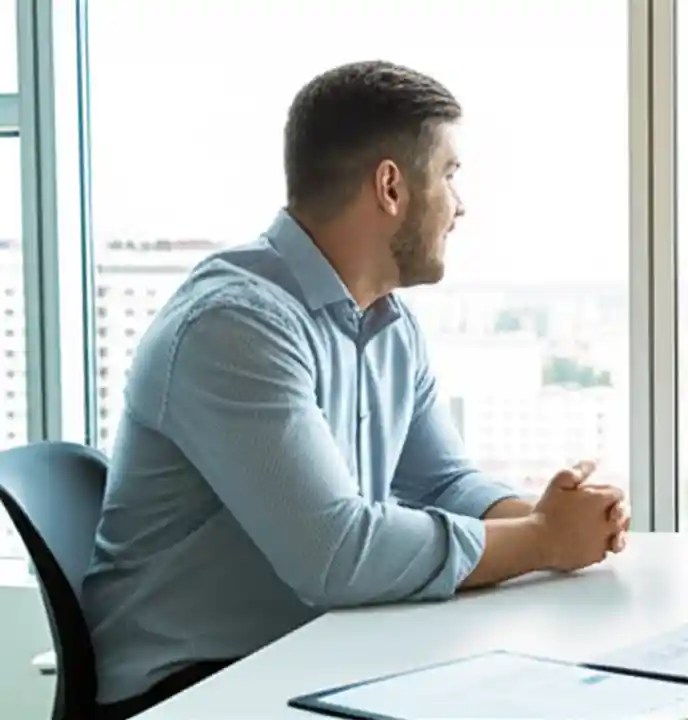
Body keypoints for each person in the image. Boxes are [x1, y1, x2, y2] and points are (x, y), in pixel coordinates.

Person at [82, 61, 630, 718]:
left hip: (306, 655)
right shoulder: (235, 326)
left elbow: (444, 483)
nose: (462, 205)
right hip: (190, 690)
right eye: (451, 174)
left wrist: (562, 520)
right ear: (391, 186)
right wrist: (541, 540)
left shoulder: (388, 324)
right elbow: (336, 553)